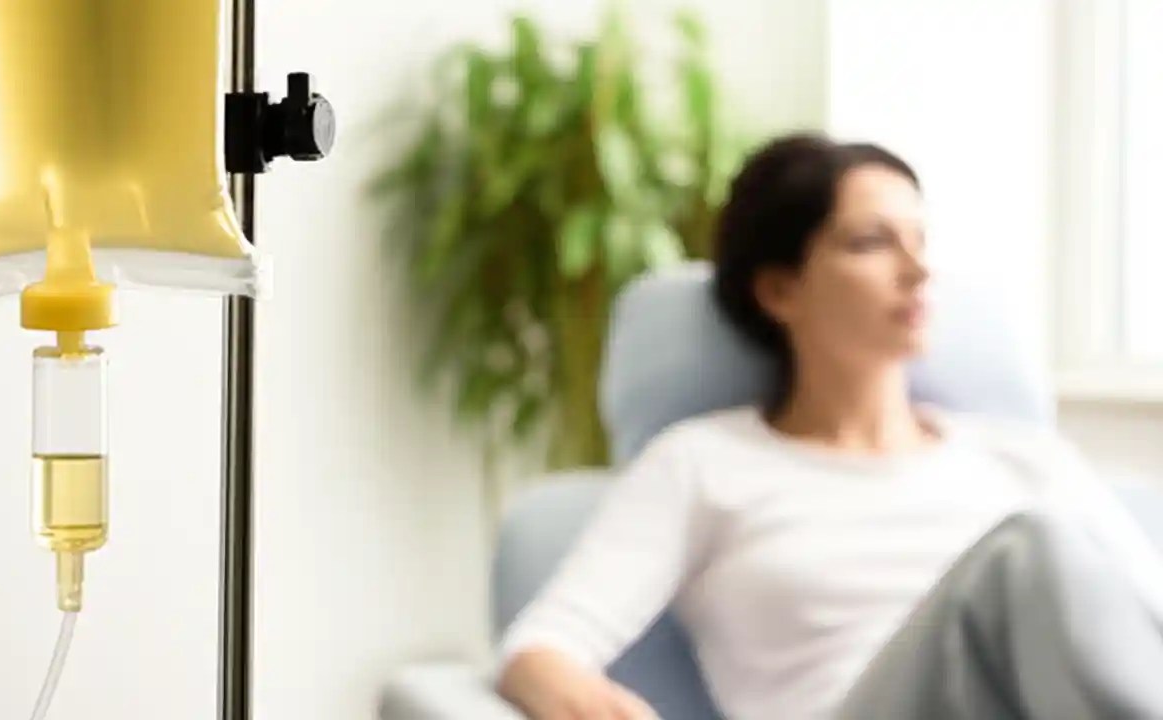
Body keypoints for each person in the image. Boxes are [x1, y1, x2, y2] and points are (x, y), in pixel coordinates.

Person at [491, 133, 1163, 719]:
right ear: (780, 290)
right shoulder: (702, 462)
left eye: (921, 241)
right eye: (873, 242)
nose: (920, 270)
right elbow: (543, 646)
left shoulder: (1026, 459)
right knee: (1034, 549)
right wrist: (573, 698)